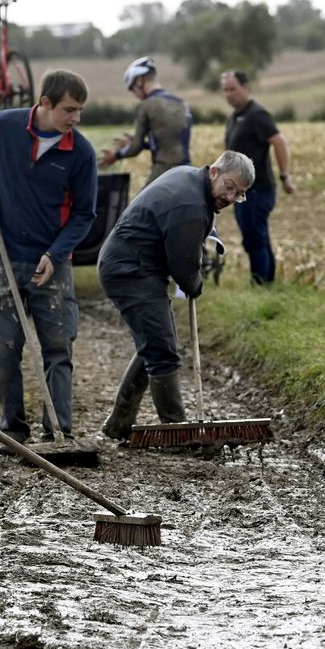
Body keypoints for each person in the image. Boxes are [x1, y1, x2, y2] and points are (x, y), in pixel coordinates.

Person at [0, 69, 98, 448]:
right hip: (0, 252)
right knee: (2, 347)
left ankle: (59, 433)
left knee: (58, 347)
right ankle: (13, 430)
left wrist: (56, 254)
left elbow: (85, 214)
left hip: (51, 261)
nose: (75, 118)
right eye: (69, 109)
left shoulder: (81, 152)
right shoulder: (4, 126)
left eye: (80, 111)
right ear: (45, 103)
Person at [97, 150, 255, 440]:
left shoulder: (190, 177)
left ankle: (119, 423)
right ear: (214, 173)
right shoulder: (190, 204)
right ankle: (178, 432)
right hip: (130, 271)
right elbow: (183, 267)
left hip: (134, 265)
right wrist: (195, 284)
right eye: (229, 187)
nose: (231, 197)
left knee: (156, 342)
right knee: (163, 352)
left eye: (239, 194)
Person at [220, 69, 297, 285]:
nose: (228, 94)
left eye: (232, 89)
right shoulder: (235, 117)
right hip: (241, 192)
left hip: (257, 190)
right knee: (256, 238)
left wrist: (285, 176)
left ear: (245, 87)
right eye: (225, 90)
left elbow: (279, 142)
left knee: (255, 239)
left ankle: (261, 283)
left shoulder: (257, 115)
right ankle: (265, 282)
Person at [99, 56, 192, 189]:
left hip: (164, 171)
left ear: (139, 81)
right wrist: (145, 144)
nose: (135, 94)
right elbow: (169, 143)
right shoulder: (181, 103)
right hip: (187, 171)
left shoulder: (147, 105)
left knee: (141, 203)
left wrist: (116, 155)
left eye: (132, 88)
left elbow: (135, 147)